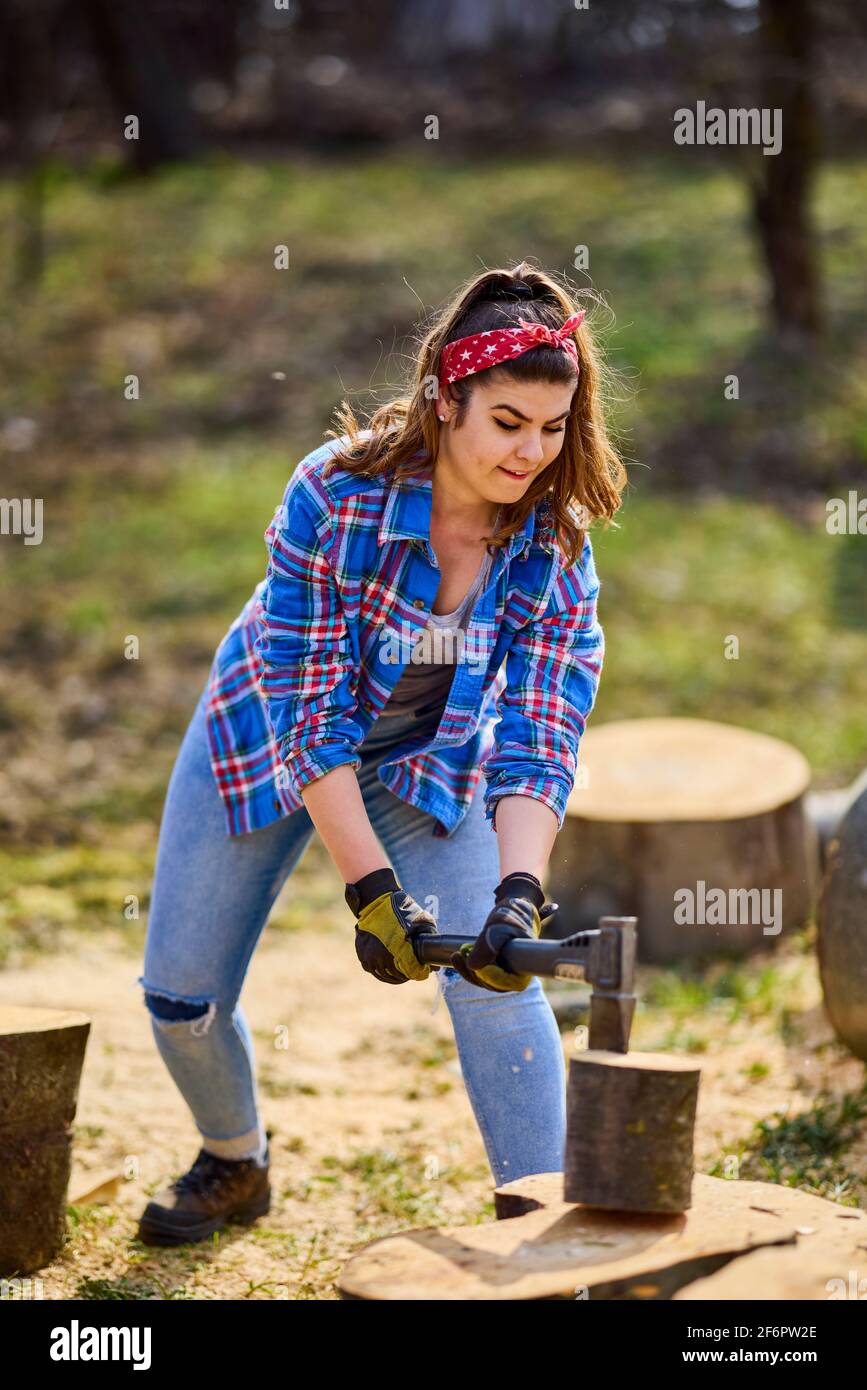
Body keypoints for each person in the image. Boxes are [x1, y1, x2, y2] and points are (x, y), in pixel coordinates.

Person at [134, 259, 626, 1246]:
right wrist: (370, 894)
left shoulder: (553, 548)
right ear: (448, 399)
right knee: (181, 997)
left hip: (421, 764)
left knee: (498, 978)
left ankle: (544, 1225)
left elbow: (538, 738)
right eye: (507, 422)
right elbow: (310, 720)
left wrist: (518, 890)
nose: (531, 452)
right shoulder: (335, 494)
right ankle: (236, 1160)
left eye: (552, 426)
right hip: (266, 734)